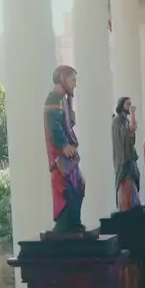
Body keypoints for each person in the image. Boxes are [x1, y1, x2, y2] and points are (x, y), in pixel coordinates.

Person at [44, 65, 85, 232]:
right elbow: (53, 125)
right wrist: (63, 145)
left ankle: (73, 223)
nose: (75, 84)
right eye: (73, 80)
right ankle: (65, 225)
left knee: (78, 184)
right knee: (67, 188)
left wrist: (71, 120)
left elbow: (63, 123)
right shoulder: (54, 98)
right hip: (61, 155)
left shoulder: (64, 99)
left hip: (68, 152)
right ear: (62, 78)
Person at [112, 96, 141, 211]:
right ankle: (125, 210)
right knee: (125, 186)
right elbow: (131, 130)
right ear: (121, 105)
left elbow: (131, 135)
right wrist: (133, 113)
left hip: (129, 158)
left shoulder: (124, 120)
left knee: (132, 184)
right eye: (127, 104)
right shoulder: (118, 121)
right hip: (123, 159)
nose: (129, 106)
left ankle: (130, 209)